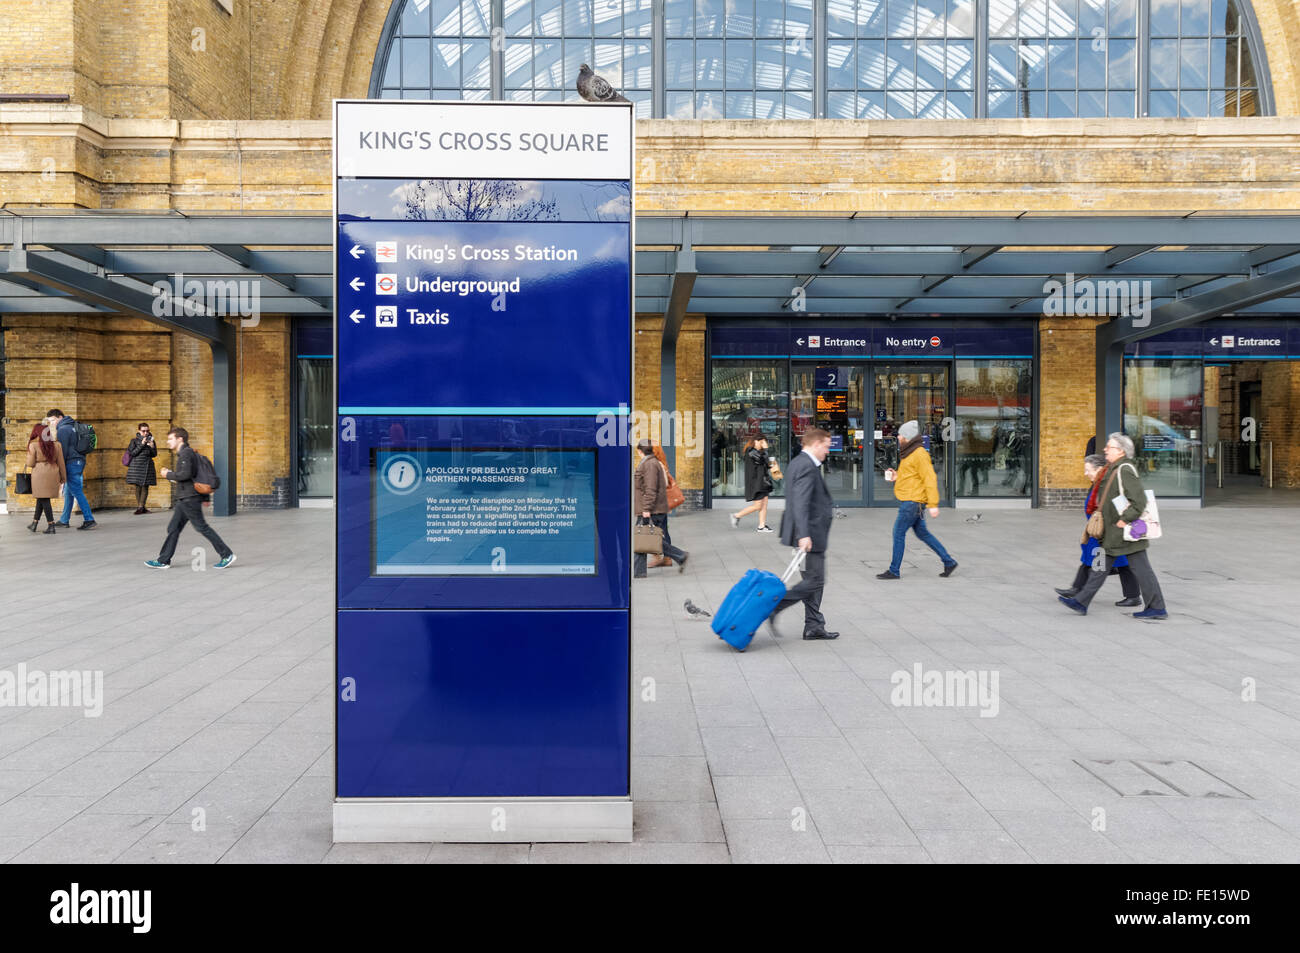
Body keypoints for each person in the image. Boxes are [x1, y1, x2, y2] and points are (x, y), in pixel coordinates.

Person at [1060, 433, 1168, 619]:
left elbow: (1139, 500)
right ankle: (1081, 601)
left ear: (1120, 450)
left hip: (1124, 531)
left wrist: (1125, 519)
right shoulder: (1113, 468)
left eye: (1108, 447)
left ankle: (1157, 607)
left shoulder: (1125, 469)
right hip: (1113, 531)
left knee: (1141, 570)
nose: (1104, 449)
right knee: (1099, 567)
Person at [768, 427, 838, 640]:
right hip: (809, 534)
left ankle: (814, 625)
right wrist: (804, 534)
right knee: (815, 581)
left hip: (806, 533)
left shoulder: (799, 463)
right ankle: (776, 606)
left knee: (812, 579)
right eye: (826, 446)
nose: (827, 451)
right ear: (815, 444)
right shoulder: (807, 466)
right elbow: (800, 502)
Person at [144, 427, 236, 570]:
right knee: (173, 528)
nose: (168, 442)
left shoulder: (186, 454)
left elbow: (185, 475)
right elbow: (194, 475)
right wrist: (205, 497)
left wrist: (168, 474)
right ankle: (163, 560)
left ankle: (226, 554)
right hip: (185, 498)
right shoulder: (187, 453)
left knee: (202, 528)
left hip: (189, 498)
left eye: (170, 439)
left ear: (180, 439)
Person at [877, 419, 958, 580]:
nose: (898, 437)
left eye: (900, 435)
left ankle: (894, 570)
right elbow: (911, 476)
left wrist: (933, 504)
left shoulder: (920, 454)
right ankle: (948, 561)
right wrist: (896, 476)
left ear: (908, 436)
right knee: (923, 534)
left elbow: (929, 478)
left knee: (898, 533)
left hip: (912, 502)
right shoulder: (909, 452)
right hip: (913, 500)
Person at [1056, 453, 1140, 607]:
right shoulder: (1098, 483)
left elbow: (1119, 507)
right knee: (1093, 560)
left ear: (1100, 469)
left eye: (1088, 470)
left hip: (1109, 533)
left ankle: (1083, 595)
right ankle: (1078, 589)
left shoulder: (1108, 485)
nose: (1085, 473)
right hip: (1099, 531)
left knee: (1107, 564)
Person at [633, 437, 688, 578]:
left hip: (652, 509)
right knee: (649, 538)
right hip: (654, 508)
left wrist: (646, 510)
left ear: (640, 451)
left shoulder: (650, 465)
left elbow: (650, 489)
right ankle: (678, 556)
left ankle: (679, 555)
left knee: (643, 538)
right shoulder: (651, 463)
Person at [46, 409, 96, 530]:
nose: (52, 423)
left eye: (53, 420)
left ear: (60, 417)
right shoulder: (74, 425)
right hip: (79, 461)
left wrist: (59, 468)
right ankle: (64, 520)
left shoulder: (63, 430)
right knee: (69, 491)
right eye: (50, 421)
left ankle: (89, 519)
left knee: (76, 491)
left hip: (71, 463)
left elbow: (62, 452)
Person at [25, 421, 66, 534]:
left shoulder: (34, 445)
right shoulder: (57, 445)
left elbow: (30, 463)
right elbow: (61, 462)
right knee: (42, 498)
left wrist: (28, 455)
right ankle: (34, 523)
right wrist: (63, 477)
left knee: (44, 499)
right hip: (53, 473)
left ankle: (51, 525)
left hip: (39, 475)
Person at [730, 435, 775, 532]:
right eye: (761, 442)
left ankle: (761, 526)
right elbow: (762, 460)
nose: (763, 444)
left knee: (764, 503)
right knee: (758, 505)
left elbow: (768, 464)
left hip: (763, 481)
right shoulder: (751, 452)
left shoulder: (760, 452)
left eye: (764, 442)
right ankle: (736, 516)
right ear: (755, 441)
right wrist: (766, 449)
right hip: (756, 482)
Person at [125, 422, 158, 514]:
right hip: (136, 466)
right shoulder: (134, 441)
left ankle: (141, 507)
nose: (146, 433)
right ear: (139, 431)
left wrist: (152, 447)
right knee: (138, 486)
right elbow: (133, 453)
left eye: (147, 431)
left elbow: (154, 454)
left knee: (145, 486)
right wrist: (142, 444)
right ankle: (141, 507)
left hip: (147, 466)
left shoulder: (151, 440)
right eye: (143, 431)